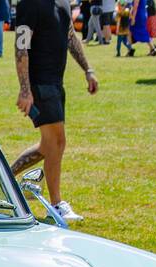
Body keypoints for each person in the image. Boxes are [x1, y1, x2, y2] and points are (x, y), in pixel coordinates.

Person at [12, 0, 97, 222]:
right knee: (57, 142)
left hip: (56, 84)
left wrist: (87, 70)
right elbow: (21, 47)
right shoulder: (29, 5)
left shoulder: (62, 3)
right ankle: (56, 205)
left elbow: (70, 37)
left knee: (47, 146)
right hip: (39, 85)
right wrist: (25, 90)